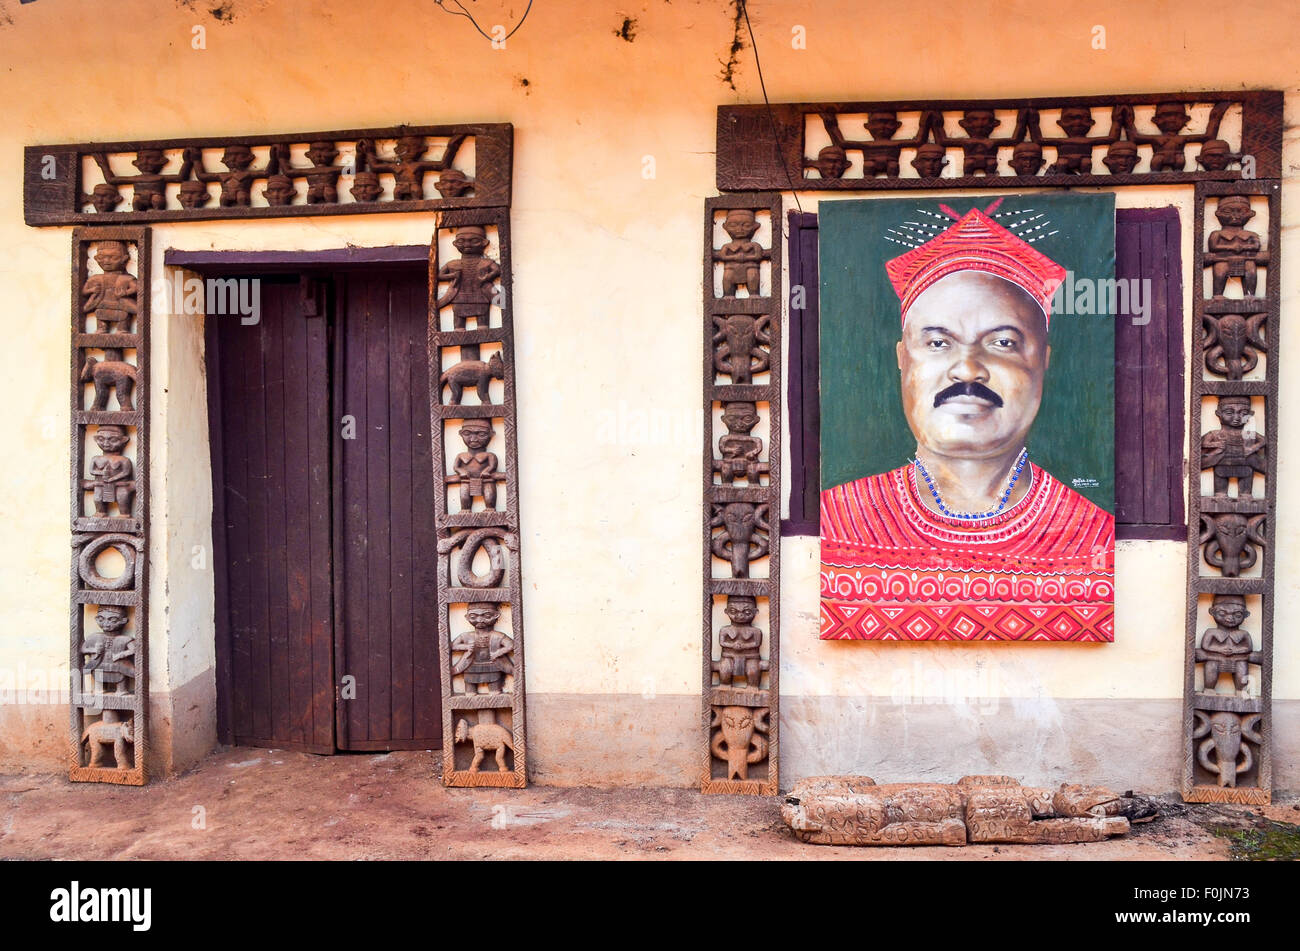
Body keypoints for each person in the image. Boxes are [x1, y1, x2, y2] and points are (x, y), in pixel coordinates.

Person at [820, 204, 1114, 641]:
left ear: (1043, 363)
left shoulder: (1095, 537)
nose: (968, 369)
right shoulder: (838, 518)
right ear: (903, 360)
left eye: (1002, 342)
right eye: (938, 342)